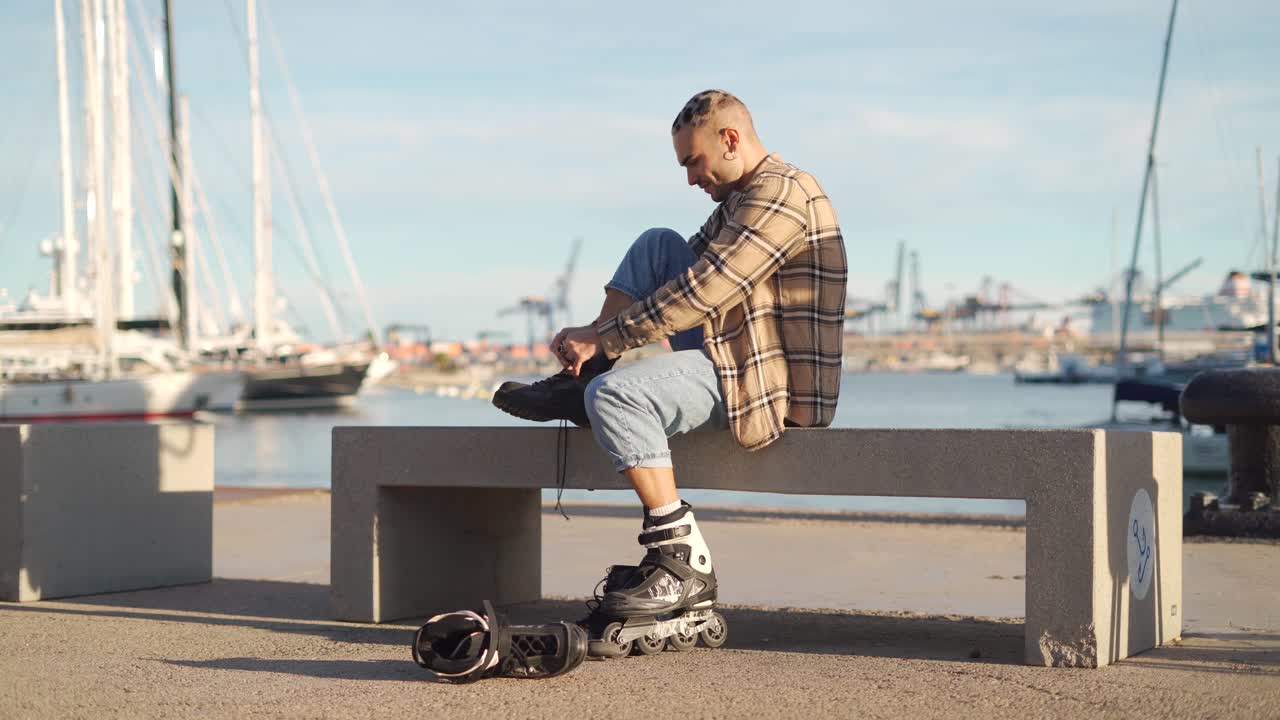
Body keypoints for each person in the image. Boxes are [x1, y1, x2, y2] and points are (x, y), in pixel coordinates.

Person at [492, 89, 846, 652]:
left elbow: (704, 291)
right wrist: (597, 340)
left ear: (730, 139)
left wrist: (605, 334)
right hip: (732, 354)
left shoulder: (782, 195)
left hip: (765, 383)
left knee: (616, 397)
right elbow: (671, 276)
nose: (690, 179)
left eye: (693, 162)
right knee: (658, 244)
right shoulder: (739, 201)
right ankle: (583, 375)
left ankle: (680, 557)